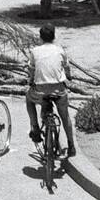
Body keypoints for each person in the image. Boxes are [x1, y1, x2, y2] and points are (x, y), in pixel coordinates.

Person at [25, 23, 76, 158]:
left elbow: (31, 69)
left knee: (29, 99)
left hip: (41, 90)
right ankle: (71, 145)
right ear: (54, 36)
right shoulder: (60, 50)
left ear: (40, 37)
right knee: (65, 117)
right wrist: (69, 76)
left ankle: (35, 127)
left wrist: (31, 80)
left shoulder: (35, 51)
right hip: (59, 89)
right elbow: (66, 67)